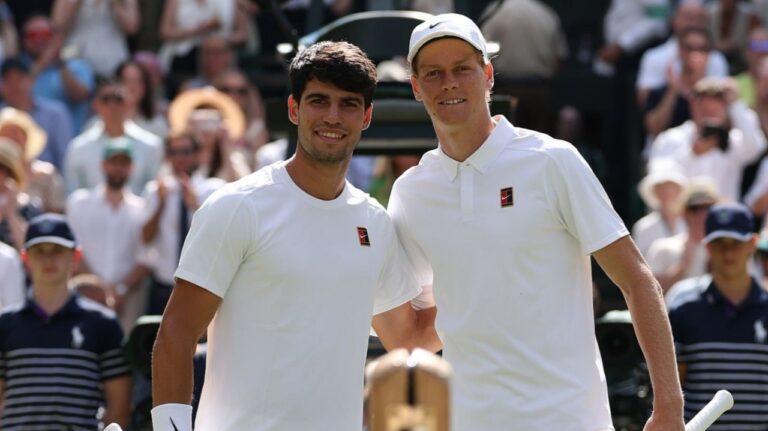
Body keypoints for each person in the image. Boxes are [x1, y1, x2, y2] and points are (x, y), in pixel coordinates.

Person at [389, 13, 685, 430]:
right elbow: (418, 332)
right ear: (416, 87)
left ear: (488, 75)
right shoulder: (410, 193)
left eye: (462, 69)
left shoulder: (552, 161)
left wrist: (669, 406)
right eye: (434, 74)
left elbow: (637, 280)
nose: (449, 83)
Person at [151, 41, 440, 430]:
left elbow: (409, 337)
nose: (333, 117)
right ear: (294, 109)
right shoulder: (238, 206)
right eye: (319, 101)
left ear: (367, 116)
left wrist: (492, 283)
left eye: (348, 104)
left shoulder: (374, 223)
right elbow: (176, 332)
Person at [0, 213, 132, 429]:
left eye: (58, 251)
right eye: (39, 251)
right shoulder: (5, 324)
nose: (48, 259)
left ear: (76, 256)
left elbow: (119, 409)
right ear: (25, 258)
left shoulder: (103, 324)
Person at [667, 202, 768, 428]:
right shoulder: (683, 309)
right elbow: (671, 388)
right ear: (708, 246)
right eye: (719, 243)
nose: (728, 252)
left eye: (736, 243)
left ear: (752, 244)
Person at [66, 138, 151, 331]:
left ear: (131, 168)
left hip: (127, 301)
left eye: (124, 163)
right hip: (83, 294)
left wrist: (120, 291)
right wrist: (98, 290)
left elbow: (145, 258)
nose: (118, 169)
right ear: (103, 165)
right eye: (114, 163)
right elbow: (73, 249)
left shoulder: (141, 208)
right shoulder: (79, 203)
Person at [140, 132, 225, 315]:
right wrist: (160, 205)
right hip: (163, 285)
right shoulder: (155, 190)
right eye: (174, 152)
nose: (180, 158)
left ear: (197, 154)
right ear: (167, 156)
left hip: (200, 284)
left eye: (186, 151)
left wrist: (195, 206)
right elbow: (145, 238)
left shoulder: (213, 189)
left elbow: (219, 236)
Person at [649, 76, 766, 202]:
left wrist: (736, 104)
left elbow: (756, 147)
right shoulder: (671, 138)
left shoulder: (734, 140)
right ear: (693, 104)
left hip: (723, 217)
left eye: (715, 109)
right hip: (684, 218)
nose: (710, 116)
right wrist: (692, 154)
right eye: (705, 110)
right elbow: (659, 177)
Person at [64, 77, 163, 195]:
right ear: (96, 105)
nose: (112, 105)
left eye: (118, 99)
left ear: (129, 103)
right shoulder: (78, 148)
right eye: (106, 99)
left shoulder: (151, 146)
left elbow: (154, 194)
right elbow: (72, 195)